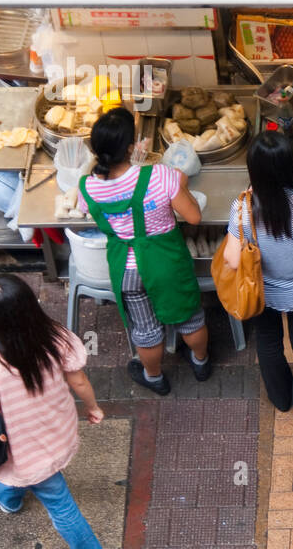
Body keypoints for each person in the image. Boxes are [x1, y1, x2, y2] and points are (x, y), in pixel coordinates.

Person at [0, 276, 114, 549]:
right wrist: (93, 408)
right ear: (31, 305)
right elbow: (78, 381)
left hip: (23, 450)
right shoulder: (55, 337)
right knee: (15, 478)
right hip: (57, 431)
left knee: (60, 504)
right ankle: (9, 498)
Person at [77, 107, 209, 395]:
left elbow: (90, 211)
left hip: (126, 268)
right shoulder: (160, 176)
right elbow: (194, 217)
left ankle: (154, 378)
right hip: (166, 264)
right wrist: (180, 185)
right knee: (189, 317)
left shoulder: (87, 187)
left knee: (146, 330)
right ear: (129, 148)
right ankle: (200, 362)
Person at [223, 131, 293, 426]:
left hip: (262, 294)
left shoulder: (243, 208)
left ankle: (281, 400)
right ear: (289, 164)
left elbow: (233, 259)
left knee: (269, 343)